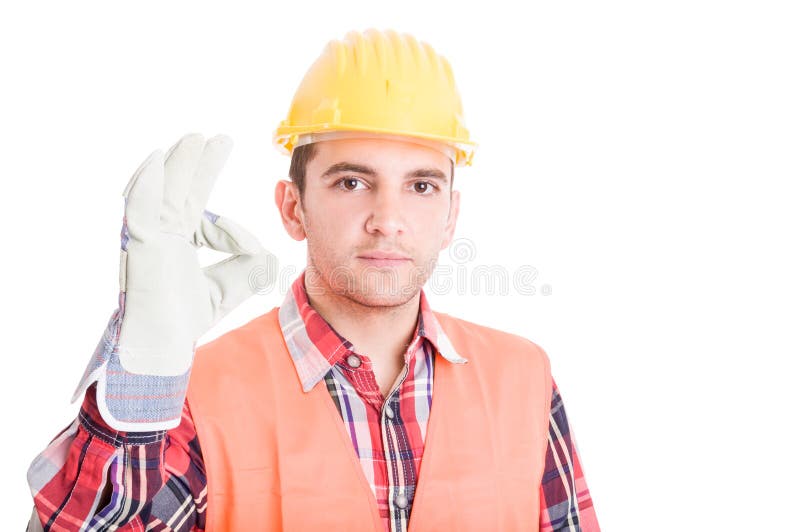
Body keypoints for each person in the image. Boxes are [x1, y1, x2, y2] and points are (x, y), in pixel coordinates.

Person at [27, 28, 600, 531]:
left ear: (451, 215)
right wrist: (139, 391)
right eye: (352, 182)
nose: (388, 220)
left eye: (421, 186)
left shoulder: (525, 379)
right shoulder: (191, 398)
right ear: (292, 207)